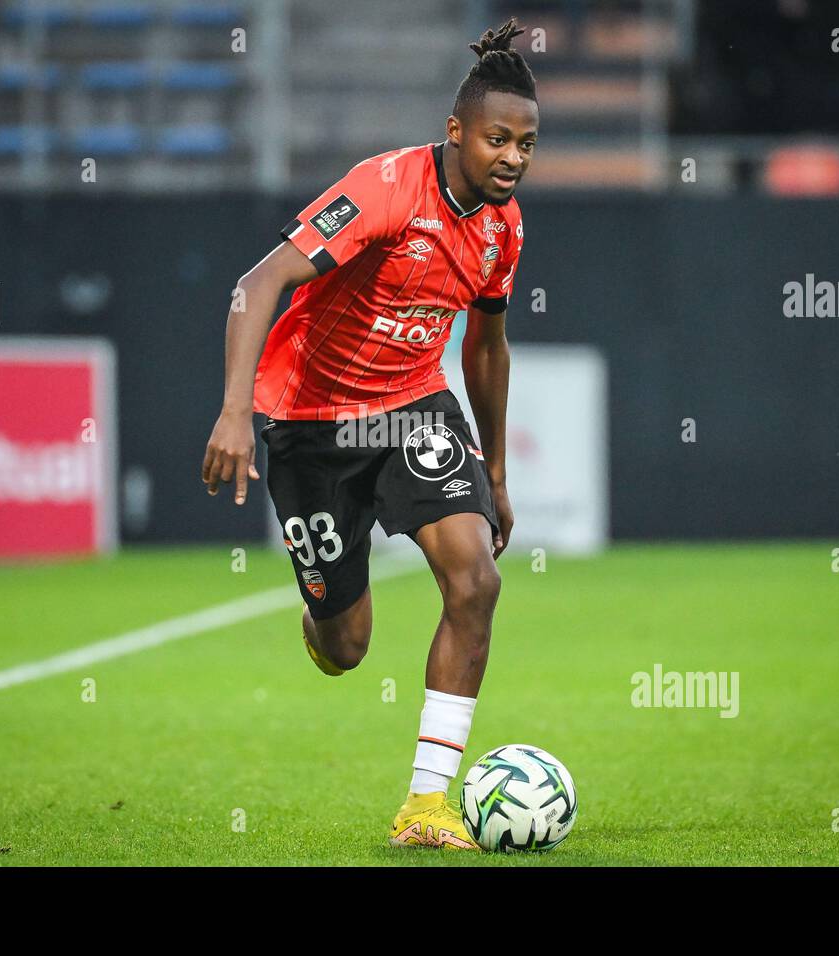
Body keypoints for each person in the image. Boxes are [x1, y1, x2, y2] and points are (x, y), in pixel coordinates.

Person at [201, 19, 536, 849]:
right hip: (310, 421)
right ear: (455, 131)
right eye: (498, 139)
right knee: (345, 648)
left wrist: (492, 472)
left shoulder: (503, 229)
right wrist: (236, 410)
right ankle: (323, 605)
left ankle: (427, 804)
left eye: (528, 145)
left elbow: (487, 346)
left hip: (415, 408)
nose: (513, 159)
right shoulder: (385, 188)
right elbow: (258, 280)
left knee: (476, 580)